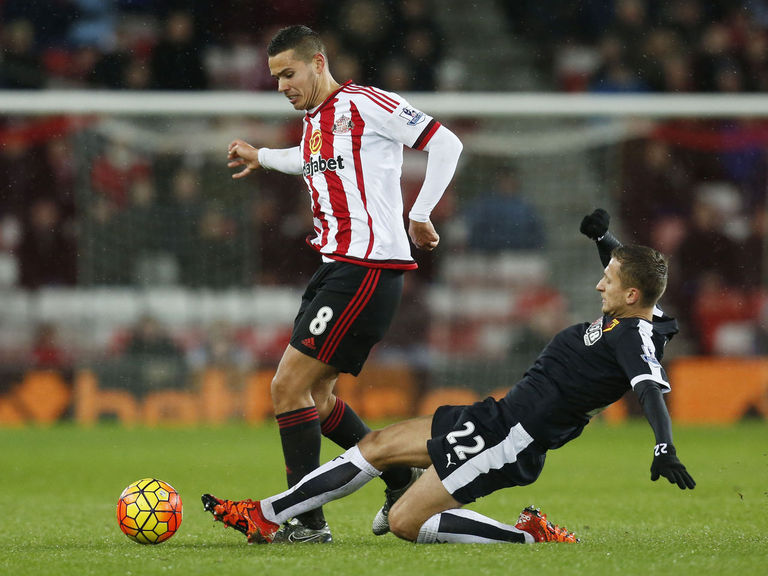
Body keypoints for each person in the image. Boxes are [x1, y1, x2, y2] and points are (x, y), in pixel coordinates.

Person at [202, 209, 695, 545]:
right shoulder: (636, 312)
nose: (599, 282)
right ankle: (267, 516)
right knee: (377, 445)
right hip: (497, 415)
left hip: (513, 441)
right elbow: (631, 278)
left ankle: (527, 537)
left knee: (402, 522)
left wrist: (663, 446)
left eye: (608, 279)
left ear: (631, 296)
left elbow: (649, 388)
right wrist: (603, 240)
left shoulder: (637, 338)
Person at [224, 25, 463, 543]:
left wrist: (419, 213)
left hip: (366, 268)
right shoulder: (316, 123)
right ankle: (401, 478)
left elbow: (446, 143)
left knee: (287, 386)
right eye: (275, 78)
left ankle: (306, 520)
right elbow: (304, 161)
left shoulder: (364, 104)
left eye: (289, 73)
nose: (282, 85)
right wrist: (260, 156)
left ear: (318, 63)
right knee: (320, 397)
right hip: (337, 268)